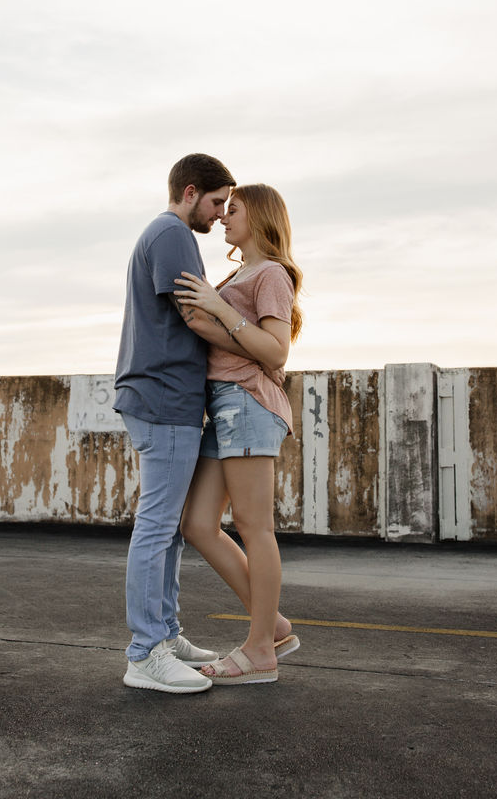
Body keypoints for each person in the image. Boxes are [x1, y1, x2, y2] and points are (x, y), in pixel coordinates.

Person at [113, 153, 237, 694]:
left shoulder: (168, 233)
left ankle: (163, 634)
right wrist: (256, 347)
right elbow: (194, 314)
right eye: (215, 203)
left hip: (169, 400)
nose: (219, 215)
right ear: (190, 192)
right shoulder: (172, 234)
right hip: (163, 398)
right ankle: (144, 653)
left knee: (168, 533)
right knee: (158, 527)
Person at [173, 183, 303, 685]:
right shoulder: (240, 274)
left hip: (248, 402)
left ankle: (259, 651)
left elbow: (275, 353)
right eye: (223, 210)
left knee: (254, 526)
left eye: (234, 210)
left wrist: (216, 308)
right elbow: (222, 339)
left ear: (261, 216)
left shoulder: (270, 274)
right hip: (222, 405)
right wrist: (198, 313)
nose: (224, 218)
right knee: (199, 524)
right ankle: (273, 625)